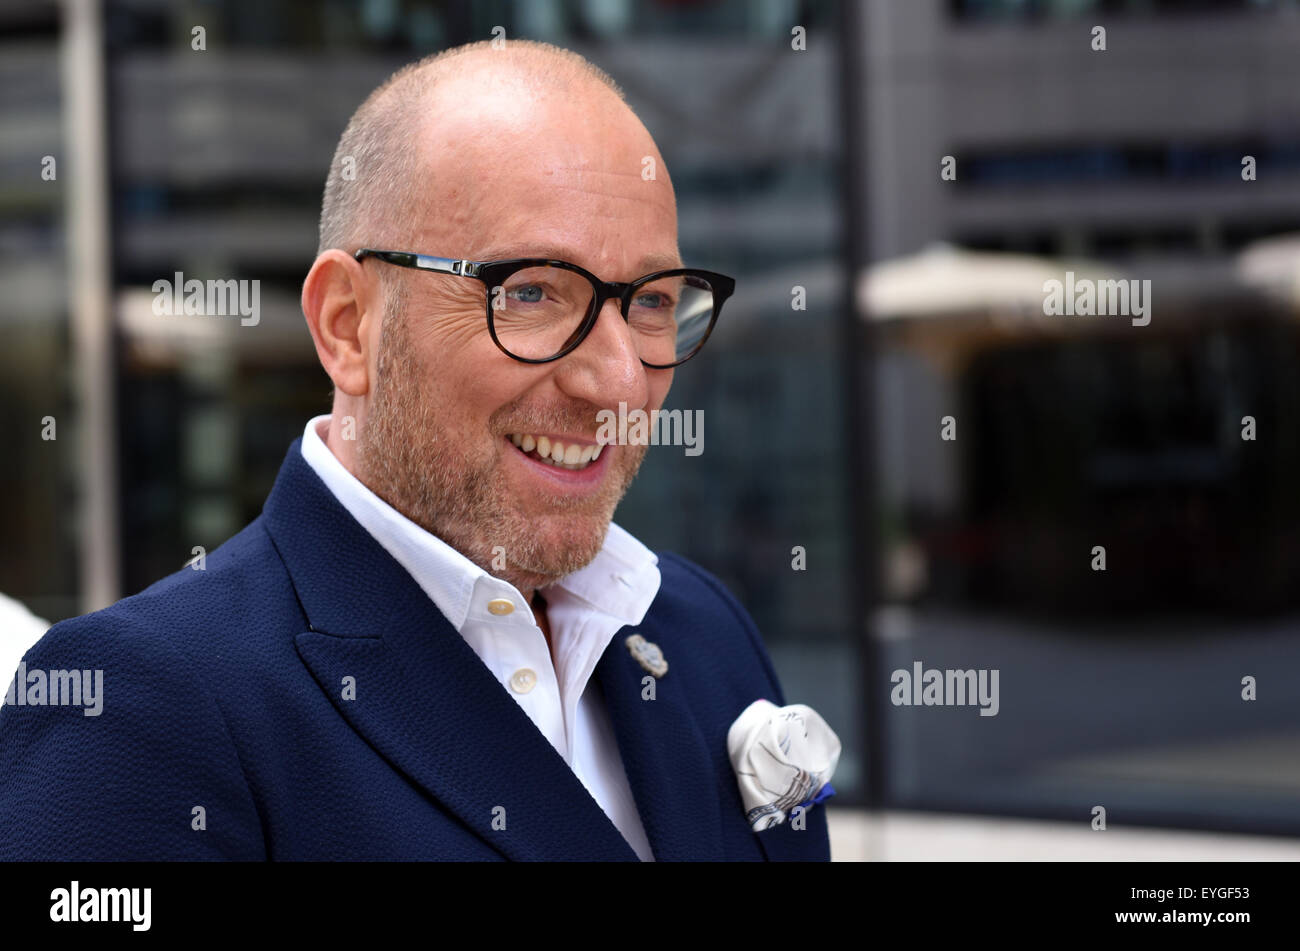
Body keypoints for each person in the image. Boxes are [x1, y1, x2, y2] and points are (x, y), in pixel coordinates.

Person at [0, 39, 831, 861]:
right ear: (347, 325)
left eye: (650, 301)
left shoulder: (699, 629)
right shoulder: (140, 705)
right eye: (533, 292)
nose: (618, 383)